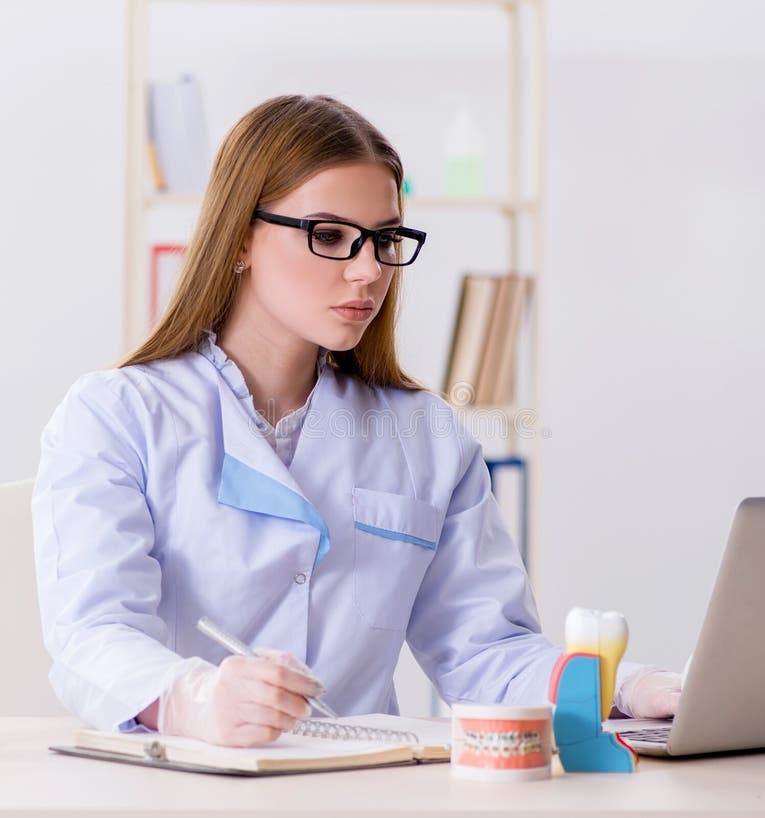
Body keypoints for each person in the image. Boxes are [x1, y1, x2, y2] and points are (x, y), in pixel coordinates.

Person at [32, 95, 681, 748]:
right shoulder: (116, 417)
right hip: (183, 783)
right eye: (331, 236)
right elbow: (92, 634)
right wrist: (190, 700)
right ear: (237, 242)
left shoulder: (427, 435)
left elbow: (485, 651)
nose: (370, 270)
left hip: (361, 786)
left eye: (386, 239)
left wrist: (621, 690)